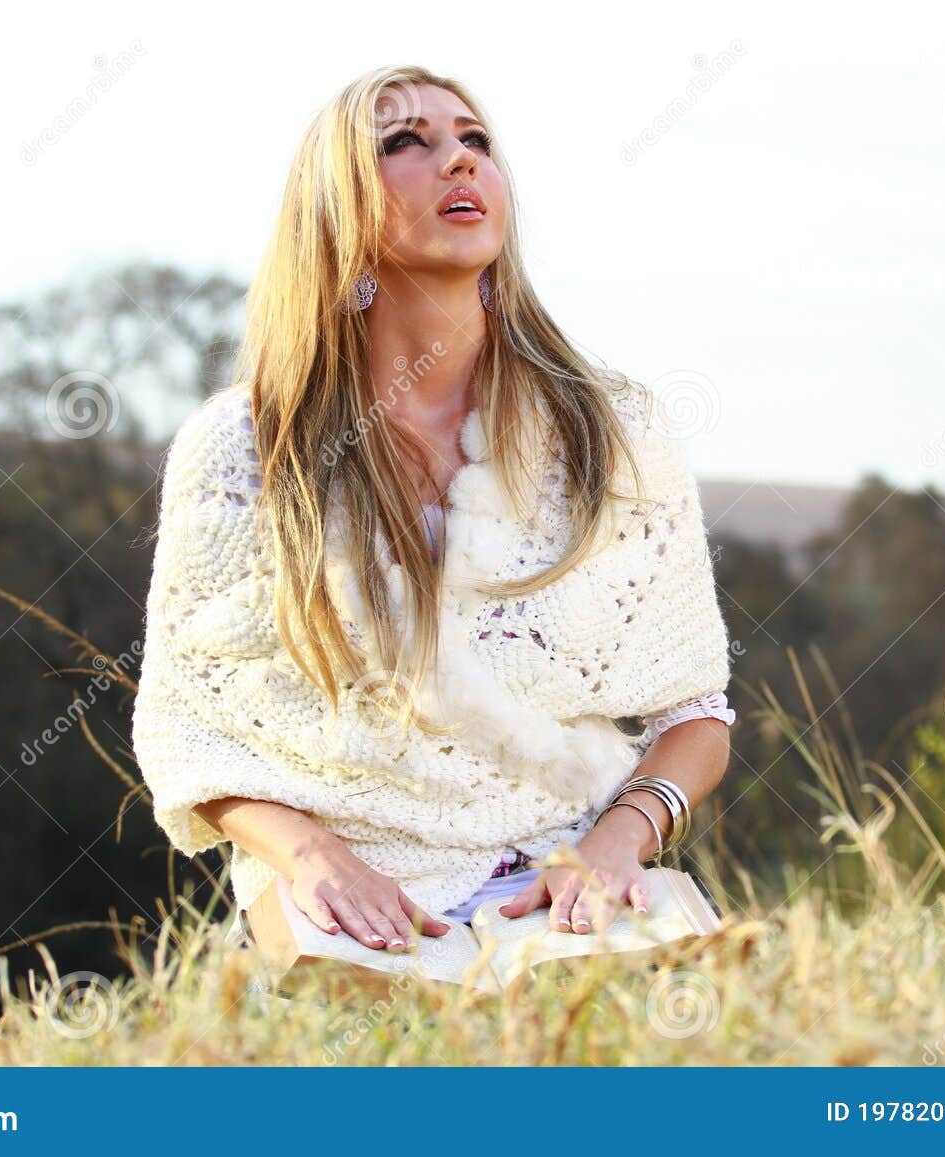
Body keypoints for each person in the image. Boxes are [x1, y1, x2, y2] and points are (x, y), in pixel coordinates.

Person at [131, 65, 736, 960]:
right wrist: (315, 857)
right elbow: (188, 730)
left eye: (475, 141)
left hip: (564, 897)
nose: (459, 161)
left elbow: (697, 711)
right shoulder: (247, 449)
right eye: (406, 143)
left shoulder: (614, 428)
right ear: (338, 209)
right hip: (349, 913)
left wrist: (615, 842)